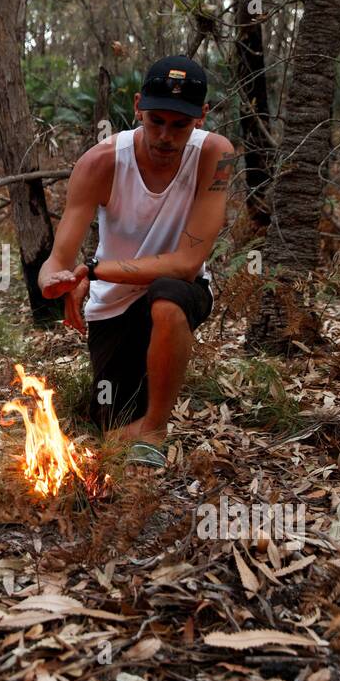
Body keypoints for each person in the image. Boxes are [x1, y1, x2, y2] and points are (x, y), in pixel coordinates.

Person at [38, 55, 232, 450]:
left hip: (184, 288)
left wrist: (93, 271)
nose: (165, 136)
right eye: (156, 120)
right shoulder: (101, 162)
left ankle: (155, 430)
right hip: (114, 306)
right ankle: (135, 412)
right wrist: (54, 281)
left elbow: (186, 264)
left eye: (180, 124)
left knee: (168, 298)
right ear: (138, 106)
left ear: (202, 116)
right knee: (110, 428)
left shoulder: (216, 155)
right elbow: (57, 260)